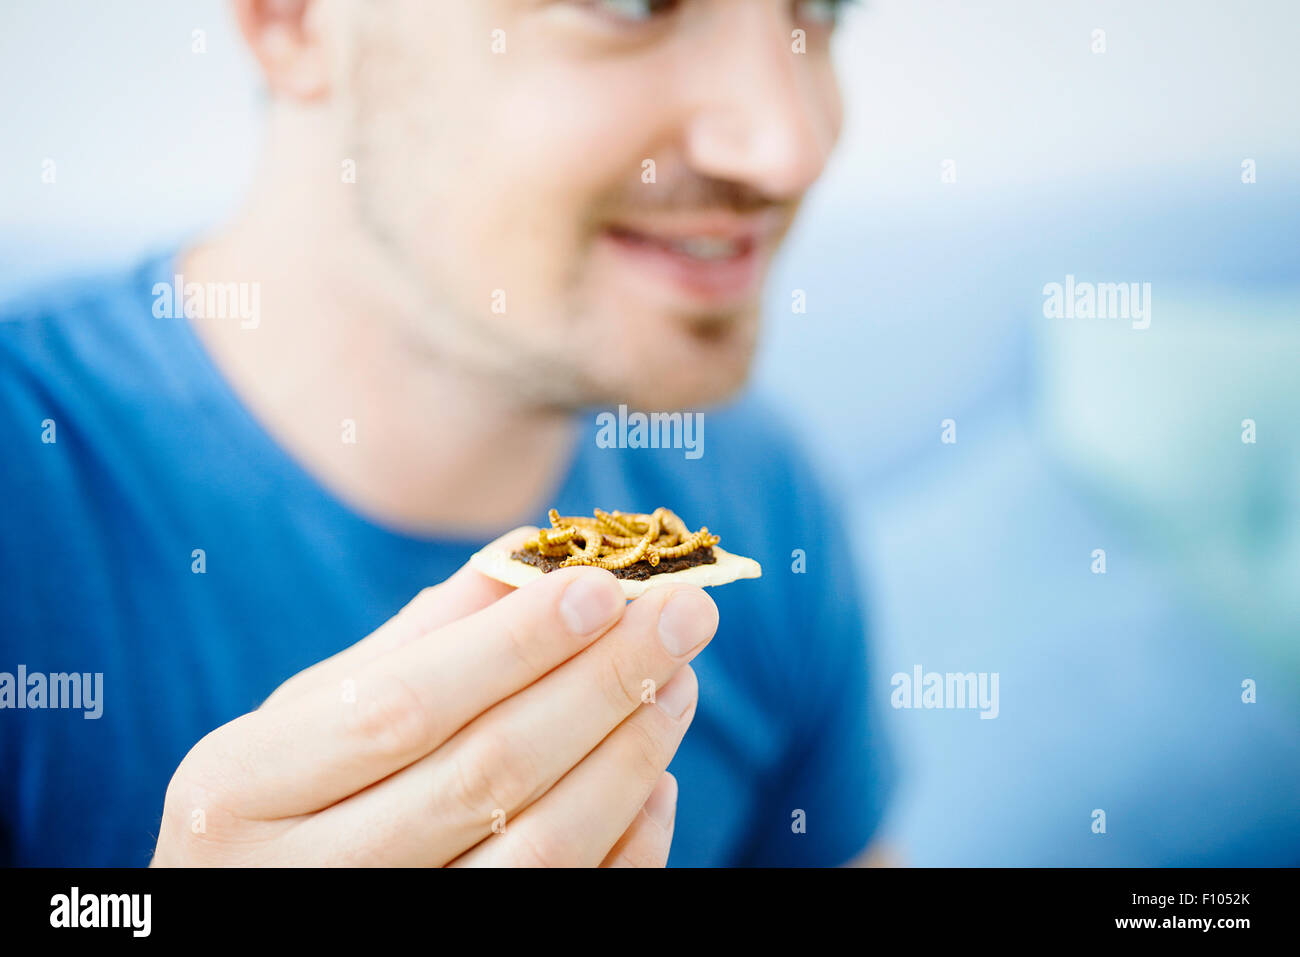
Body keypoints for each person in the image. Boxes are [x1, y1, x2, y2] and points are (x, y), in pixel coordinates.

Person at [0, 0, 893, 866]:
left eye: (825, 7)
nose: (793, 146)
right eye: (631, 6)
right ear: (293, 18)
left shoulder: (760, 493)